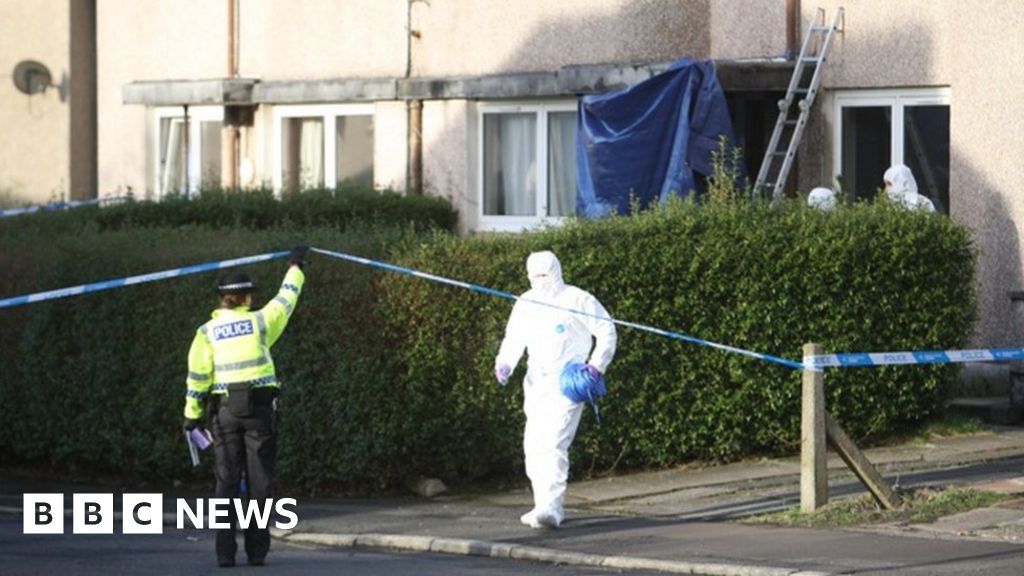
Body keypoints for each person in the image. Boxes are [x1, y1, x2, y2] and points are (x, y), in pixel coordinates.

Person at [183, 246, 308, 567]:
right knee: (260, 482)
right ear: (246, 298)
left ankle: (225, 553)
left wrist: (191, 418)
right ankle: (257, 552)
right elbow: (286, 299)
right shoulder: (260, 323)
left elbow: (197, 379)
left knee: (226, 482)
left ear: (221, 299)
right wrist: (295, 265)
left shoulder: (206, 333)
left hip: (224, 414)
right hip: (260, 412)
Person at [494, 250, 617, 529]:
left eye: (545, 274)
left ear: (556, 271)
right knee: (534, 445)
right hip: (536, 383)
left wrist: (596, 366)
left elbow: (606, 330)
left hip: (568, 382)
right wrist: (505, 363)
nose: (541, 280)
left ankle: (552, 507)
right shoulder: (526, 303)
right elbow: (514, 338)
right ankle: (541, 504)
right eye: (535, 276)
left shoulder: (577, 299)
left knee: (554, 443)